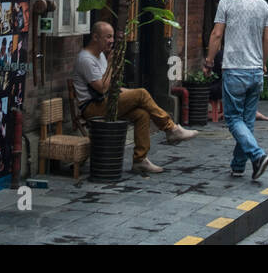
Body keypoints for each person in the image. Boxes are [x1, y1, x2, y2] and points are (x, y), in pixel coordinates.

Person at [73, 21, 196, 174]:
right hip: (92, 108)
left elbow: (111, 86)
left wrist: (127, 92)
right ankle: (170, 128)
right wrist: (112, 64)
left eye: (112, 37)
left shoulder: (100, 56)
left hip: (104, 102)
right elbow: (102, 87)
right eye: (108, 37)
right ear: (95, 37)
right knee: (142, 93)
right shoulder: (86, 59)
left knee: (141, 114)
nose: (111, 41)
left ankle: (140, 160)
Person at [204, 0, 268, 181]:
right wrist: (263, 63)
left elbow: (217, 34)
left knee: (234, 119)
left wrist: (209, 61)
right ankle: (238, 166)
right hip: (255, 71)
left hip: (235, 69)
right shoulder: (262, 5)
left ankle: (258, 155)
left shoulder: (226, 3)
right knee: (247, 121)